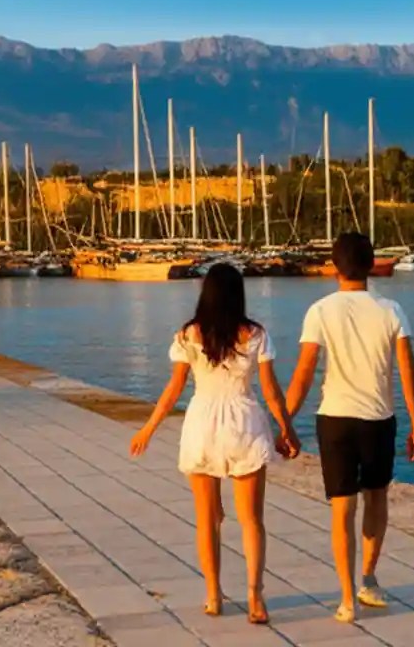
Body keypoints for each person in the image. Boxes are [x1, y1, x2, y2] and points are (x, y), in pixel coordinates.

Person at [129, 263, 300, 625]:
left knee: (208, 519)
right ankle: (255, 598)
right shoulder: (255, 334)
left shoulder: (188, 335)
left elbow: (173, 389)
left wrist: (148, 429)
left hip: (202, 423)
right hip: (245, 423)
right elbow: (270, 390)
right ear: (238, 295)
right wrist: (287, 429)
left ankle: (212, 595)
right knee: (252, 520)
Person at [286, 232, 414, 624]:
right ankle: (368, 577)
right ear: (370, 265)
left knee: (341, 508)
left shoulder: (320, 310)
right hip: (379, 419)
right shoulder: (391, 310)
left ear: (334, 267)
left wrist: (284, 421)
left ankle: (346, 598)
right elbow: (408, 371)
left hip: (335, 419)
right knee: (376, 499)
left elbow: (304, 373)